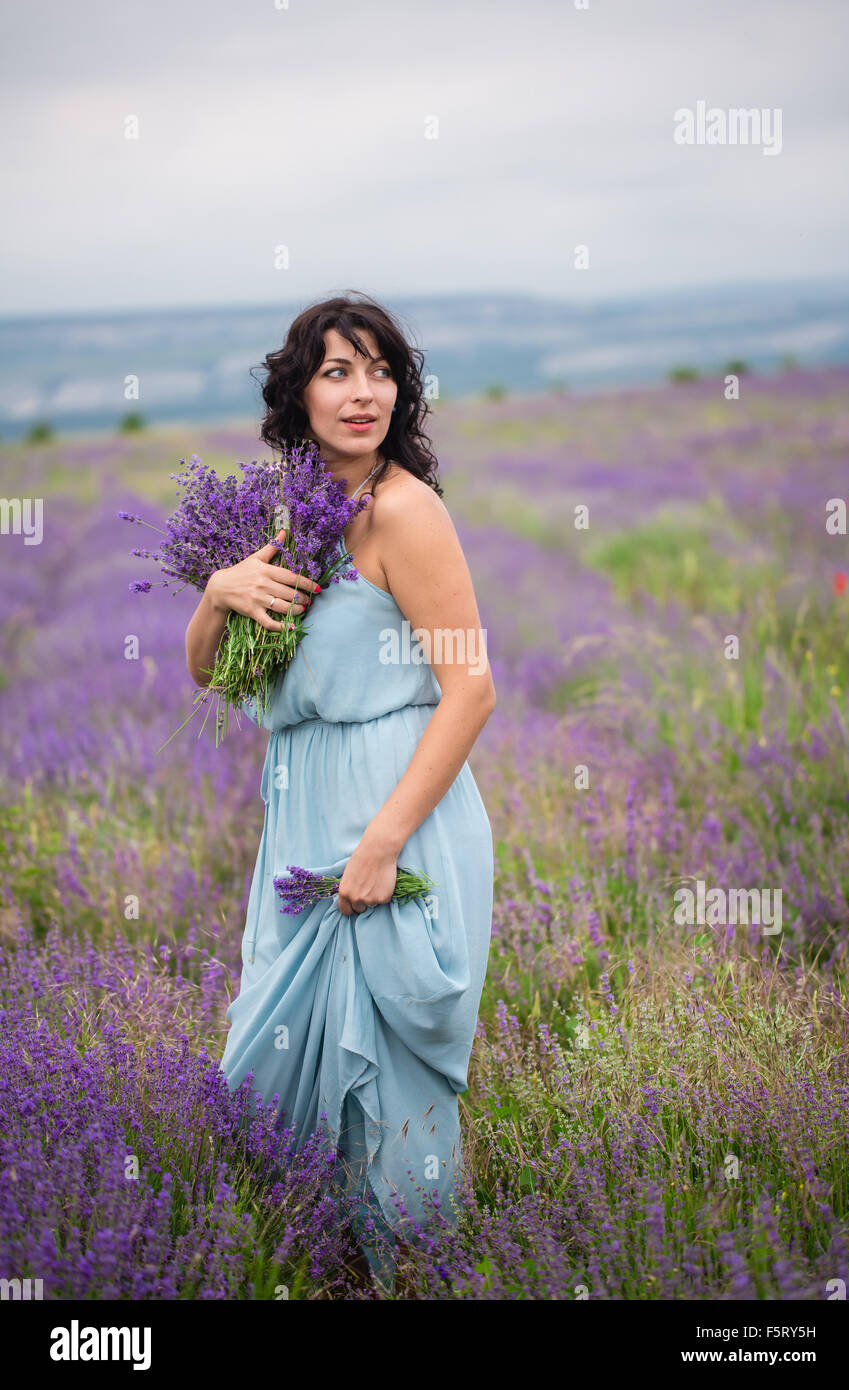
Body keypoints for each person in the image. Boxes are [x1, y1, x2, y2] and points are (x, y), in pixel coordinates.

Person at [184, 292, 496, 1294]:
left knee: (386, 1076)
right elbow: (209, 671)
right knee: (269, 1067)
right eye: (335, 371)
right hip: (300, 816)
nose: (361, 392)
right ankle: (316, 1269)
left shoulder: (405, 510)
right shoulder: (285, 514)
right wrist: (215, 593)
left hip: (393, 809)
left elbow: (471, 686)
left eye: (378, 370)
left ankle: (407, 1274)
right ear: (298, 391)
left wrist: (383, 841)